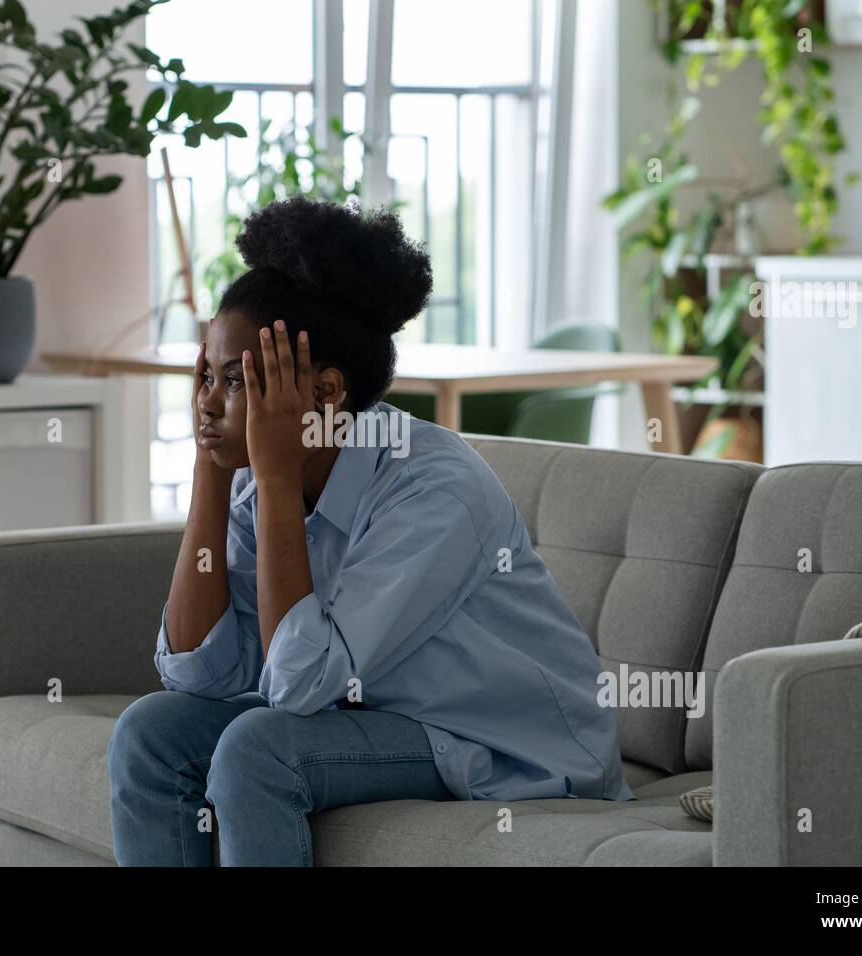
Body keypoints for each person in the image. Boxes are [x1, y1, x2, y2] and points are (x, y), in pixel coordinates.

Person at [106, 196, 633, 867]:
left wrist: (270, 478)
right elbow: (198, 671)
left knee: (257, 748)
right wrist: (212, 468)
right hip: (373, 720)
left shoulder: (435, 489)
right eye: (205, 376)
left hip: (500, 744)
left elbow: (297, 686)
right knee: (149, 732)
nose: (208, 401)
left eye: (236, 382)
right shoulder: (257, 478)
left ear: (324, 393)